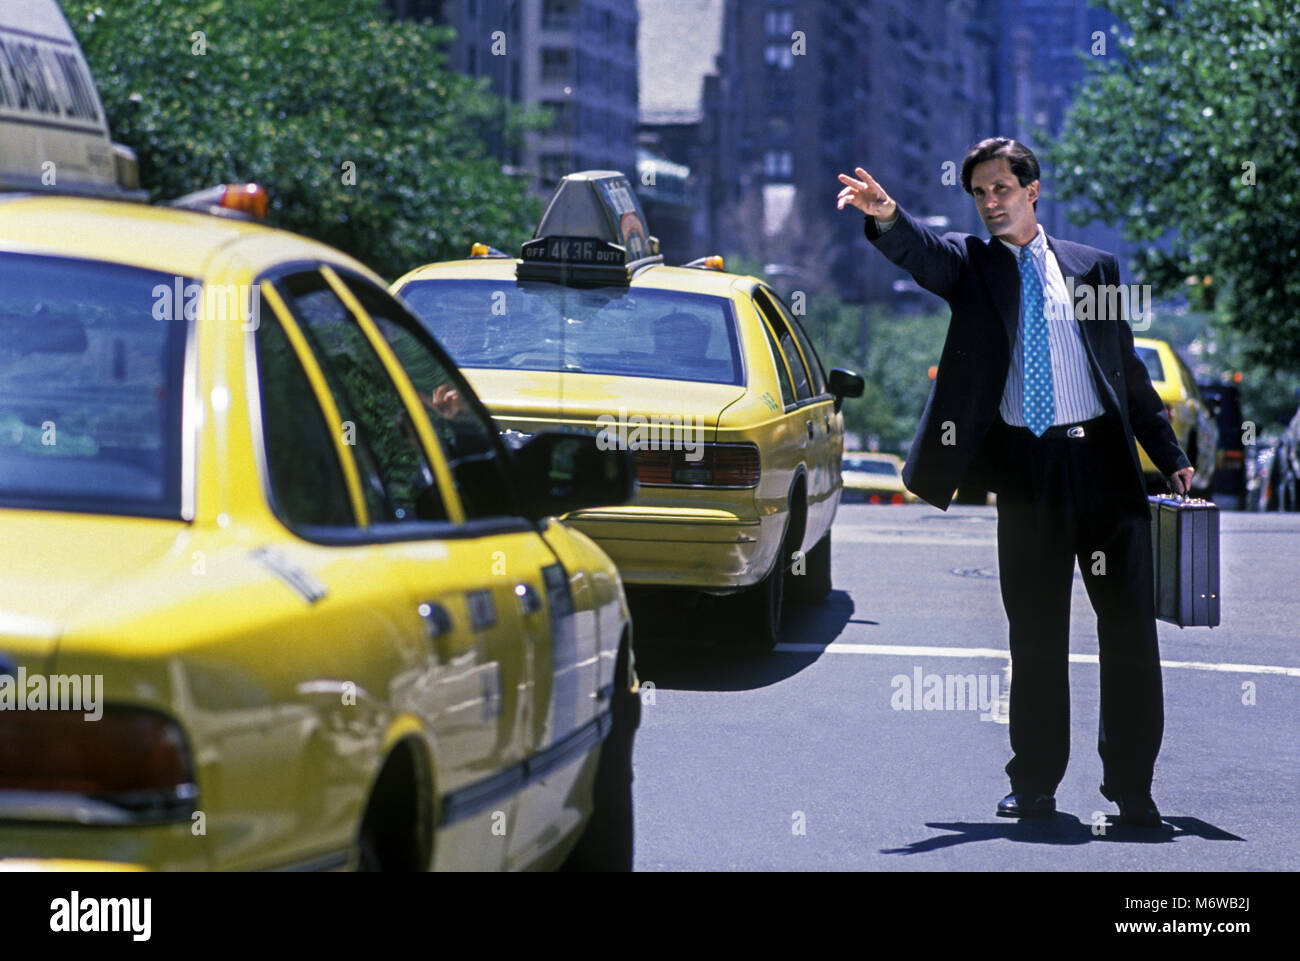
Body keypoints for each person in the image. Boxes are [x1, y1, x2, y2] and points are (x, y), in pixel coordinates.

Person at [836, 138, 1194, 828]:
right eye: (978, 192)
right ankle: (1033, 783)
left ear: (1033, 190)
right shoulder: (973, 268)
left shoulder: (1094, 269)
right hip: (1028, 475)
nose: (990, 202)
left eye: (1001, 188)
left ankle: (1133, 787)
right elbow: (923, 255)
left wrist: (1168, 449)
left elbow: (1125, 369)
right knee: (1034, 636)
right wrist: (888, 217)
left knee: (1128, 634)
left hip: (1104, 472)